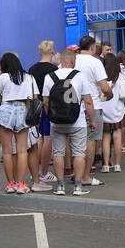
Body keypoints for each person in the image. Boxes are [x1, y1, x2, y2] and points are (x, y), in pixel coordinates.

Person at [42, 49, 98, 195]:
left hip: (56, 122)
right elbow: (88, 101)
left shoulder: (49, 77)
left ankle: (60, 186)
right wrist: (92, 120)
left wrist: (51, 116)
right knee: (79, 153)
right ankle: (78, 187)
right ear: (73, 61)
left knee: (58, 152)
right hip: (77, 121)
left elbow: (46, 102)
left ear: (61, 61)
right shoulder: (80, 76)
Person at [0, 51, 40, 196]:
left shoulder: (3, 77)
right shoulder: (29, 77)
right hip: (23, 110)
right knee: (22, 150)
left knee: (7, 151)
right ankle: (21, 184)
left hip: (6, 110)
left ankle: (11, 184)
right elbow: (35, 96)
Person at [75, 37, 113, 180]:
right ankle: (85, 175)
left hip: (73, 106)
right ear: (92, 47)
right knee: (91, 140)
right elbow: (104, 87)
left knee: (76, 141)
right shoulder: (95, 62)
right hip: (93, 105)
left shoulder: (71, 60)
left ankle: (76, 172)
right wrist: (110, 94)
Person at [28, 41, 58, 179]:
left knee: (38, 138)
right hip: (49, 104)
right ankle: (44, 171)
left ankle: (37, 170)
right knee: (48, 138)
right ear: (52, 51)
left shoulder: (32, 69)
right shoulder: (54, 69)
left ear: (40, 52)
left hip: (36, 105)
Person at [97, 53, 125, 173]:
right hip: (117, 111)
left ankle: (105, 165)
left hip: (104, 111)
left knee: (105, 138)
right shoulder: (120, 77)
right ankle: (117, 165)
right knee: (117, 138)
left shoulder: (100, 77)